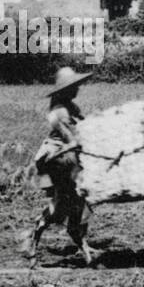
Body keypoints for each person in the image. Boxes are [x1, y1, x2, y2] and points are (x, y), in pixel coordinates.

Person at [35, 66, 93, 226]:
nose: (78, 89)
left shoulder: (71, 107)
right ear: (66, 90)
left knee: (72, 199)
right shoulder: (58, 112)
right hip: (59, 154)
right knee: (70, 198)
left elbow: (84, 125)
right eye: (74, 87)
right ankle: (42, 226)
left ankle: (77, 233)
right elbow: (70, 137)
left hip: (68, 150)